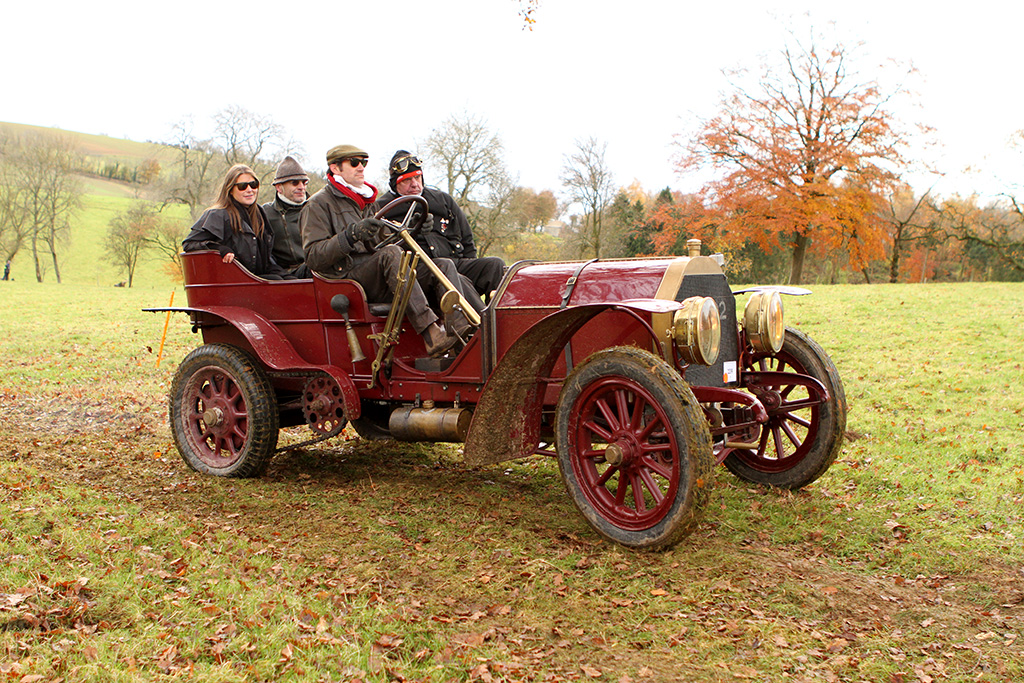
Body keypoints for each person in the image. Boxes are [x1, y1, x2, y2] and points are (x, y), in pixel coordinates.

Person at [301, 145, 473, 357]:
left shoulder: (365, 202)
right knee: (390, 254)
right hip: (347, 279)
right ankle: (431, 334)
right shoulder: (318, 204)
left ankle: (458, 331)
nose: (361, 168)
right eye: (354, 163)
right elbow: (313, 257)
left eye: (364, 163)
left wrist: (414, 226)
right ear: (335, 168)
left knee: (443, 264)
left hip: (375, 273)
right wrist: (350, 235)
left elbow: (382, 239)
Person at [376, 151, 505, 308]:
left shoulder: (443, 201)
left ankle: (498, 318)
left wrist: (470, 262)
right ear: (395, 184)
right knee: (447, 270)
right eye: (407, 180)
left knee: (495, 265)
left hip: (453, 262)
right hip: (419, 275)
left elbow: (466, 239)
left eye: (417, 177)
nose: (415, 184)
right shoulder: (383, 209)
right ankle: (476, 326)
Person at [182, 164, 288, 280]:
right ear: (230, 190)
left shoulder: (259, 213)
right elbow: (189, 244)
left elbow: (266, 260)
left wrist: (289, 278)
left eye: (253, 185)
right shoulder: (217, 214)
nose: (249, 190)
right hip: (230, 283)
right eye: (242, 186)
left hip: (256, 279)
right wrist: (219, 249)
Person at [262, 156, 312, 278]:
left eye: (304, 183)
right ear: (279, 187)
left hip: (316, 267)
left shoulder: (316, 209)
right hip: (287, 275)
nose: (301, 187)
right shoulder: (265, 213)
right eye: (295, 183)